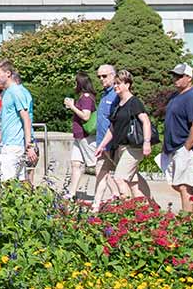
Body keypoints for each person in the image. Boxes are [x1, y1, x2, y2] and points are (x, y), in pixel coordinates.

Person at [95, 68, 152, 200]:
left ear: (127, 85)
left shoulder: (134, 102)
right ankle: (146, 209)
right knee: (133, 182)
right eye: (115, 83)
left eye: (118, 83)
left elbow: (146, 122)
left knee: (119, 178)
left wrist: (147, 142)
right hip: (121, 147)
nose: (116, 86)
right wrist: (102, 145)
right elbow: (112, 128)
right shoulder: (119, 104)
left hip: (133, 147)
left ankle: (126, 210)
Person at [162, 64, 193, 212]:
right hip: (175, 147)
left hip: (189, 149)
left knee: (184, 186)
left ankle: (187, 223)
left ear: (189, 78)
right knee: (177, 184)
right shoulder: (176, 96)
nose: (176, 79)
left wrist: (186, 148)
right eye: (174, 75)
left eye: (179, 76)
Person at [0, 62, 37, 182]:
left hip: (14, 146)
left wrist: (29, 145)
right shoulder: (7, 92)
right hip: (8, 144)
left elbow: (26, 119)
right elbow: (7, 122)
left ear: (8, 73)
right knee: (17, 186)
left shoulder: (16, 92)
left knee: (1, 185)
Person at [90, 64, 121, 210]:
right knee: (101, 172)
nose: (101, 79)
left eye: (105, 76)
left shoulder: (116, 94)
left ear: (113, 75)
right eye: (99, 76)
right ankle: (96, 205)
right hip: (102, 143)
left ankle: (145, 203)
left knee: (130, 178)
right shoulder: (104, 94)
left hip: (114, 144)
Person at [64, 72, 96, 200]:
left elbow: (86, 116)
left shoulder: (87, 98)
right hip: (79, 136)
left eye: (75, 82)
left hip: (86, 136)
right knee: (75, 164)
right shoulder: (82, 97)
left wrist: (72, 107)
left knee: (96, 166)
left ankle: (116, 192)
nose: (74, 85)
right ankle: (71, 193)